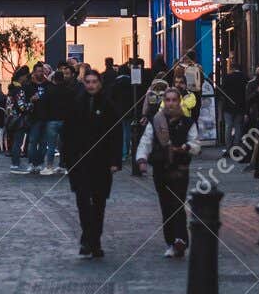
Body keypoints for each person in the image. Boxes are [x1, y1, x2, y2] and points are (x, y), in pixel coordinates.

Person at [62, 70, 123, 259]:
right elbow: (67, 133)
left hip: (101, 162)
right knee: (82, 201)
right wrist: (68, 159)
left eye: (94, 82)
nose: (91, 85)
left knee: (98, 203)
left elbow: (116, 135)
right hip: (80, 161)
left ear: (100, 83)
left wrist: (115, 161)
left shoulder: (108, 105)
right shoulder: (75, 103)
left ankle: (94, 240)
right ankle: (88, 237)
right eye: (87, 81)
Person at [137, 85, 200, 257]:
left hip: (180, 169)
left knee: (177, 203)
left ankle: (180, 239)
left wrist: (186, 147)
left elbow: (195, 144)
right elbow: (146, 141)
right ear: (164, 102)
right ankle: (171, 241)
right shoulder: (156, 121)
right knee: (165, 205)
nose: (171, 103)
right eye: (168, 100)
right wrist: (141, 159)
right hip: (160, 168)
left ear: (179, 102)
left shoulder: (187, 122)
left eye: (174, 100)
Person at [216, 59, 248, 150]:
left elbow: (222, 91)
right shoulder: (244, 77)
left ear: (232, 69)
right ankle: (236, 146)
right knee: (238, 126)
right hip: (240, 105)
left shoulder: (227, 77)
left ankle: (228, 147)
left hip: (228, 106)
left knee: (228, 126)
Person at [7, 66, 33, 170]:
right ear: (22, 77)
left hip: (11, 118)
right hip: (19, 119)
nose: (27, 79)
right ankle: (16, 163)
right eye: (26, 77)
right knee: (18, 142)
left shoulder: (11, 88)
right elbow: (22, 106)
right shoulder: (20, 90)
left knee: (14, 142)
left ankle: (14, 162)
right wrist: (31, 103)